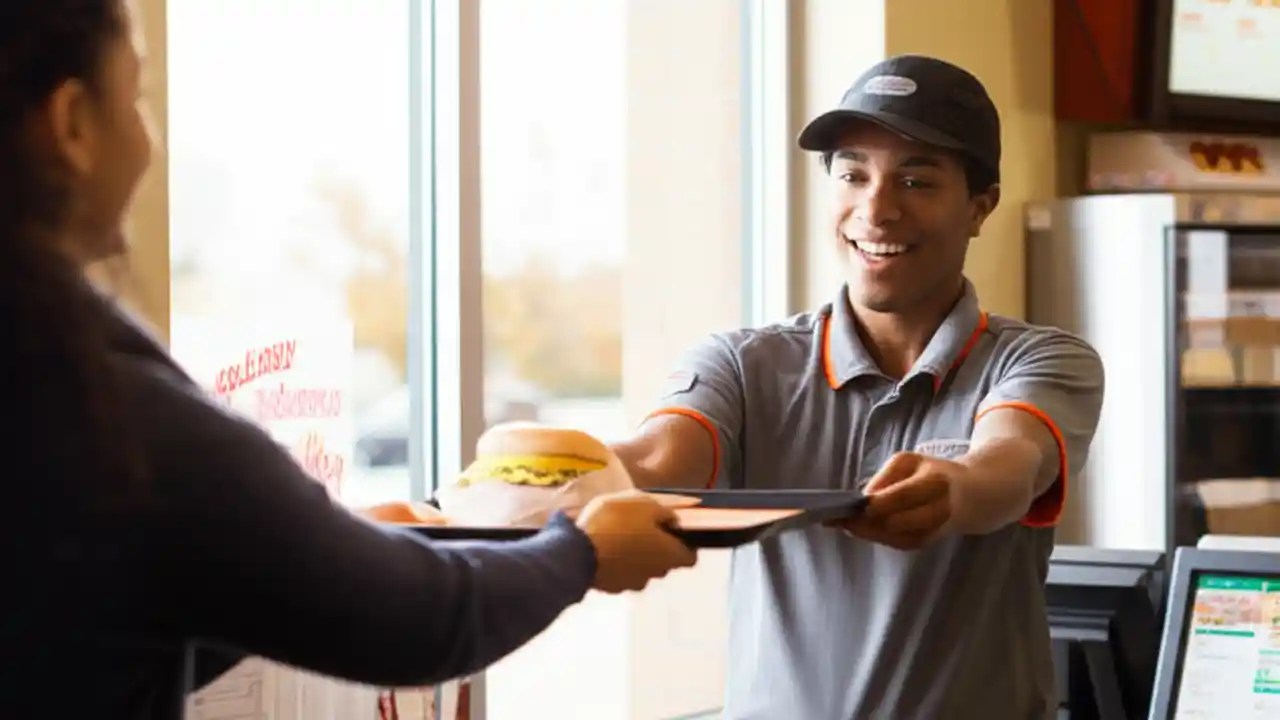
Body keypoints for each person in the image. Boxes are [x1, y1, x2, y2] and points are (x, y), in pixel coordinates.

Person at [0, 1, 696, 717]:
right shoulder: (110, 416)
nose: (150, 143)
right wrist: (578, 554)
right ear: (73, 123)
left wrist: (332, 548)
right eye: (137, 96)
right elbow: (421, 623)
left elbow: (101, 629)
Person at [612, 55, 1106, 719]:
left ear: (979, 208)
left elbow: (1005, 468)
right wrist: (560, 473)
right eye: (853, 175)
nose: (876, 209)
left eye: (916, 181)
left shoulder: (1043, 360)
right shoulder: (741, 363)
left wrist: (953, 489)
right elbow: (661, 460)